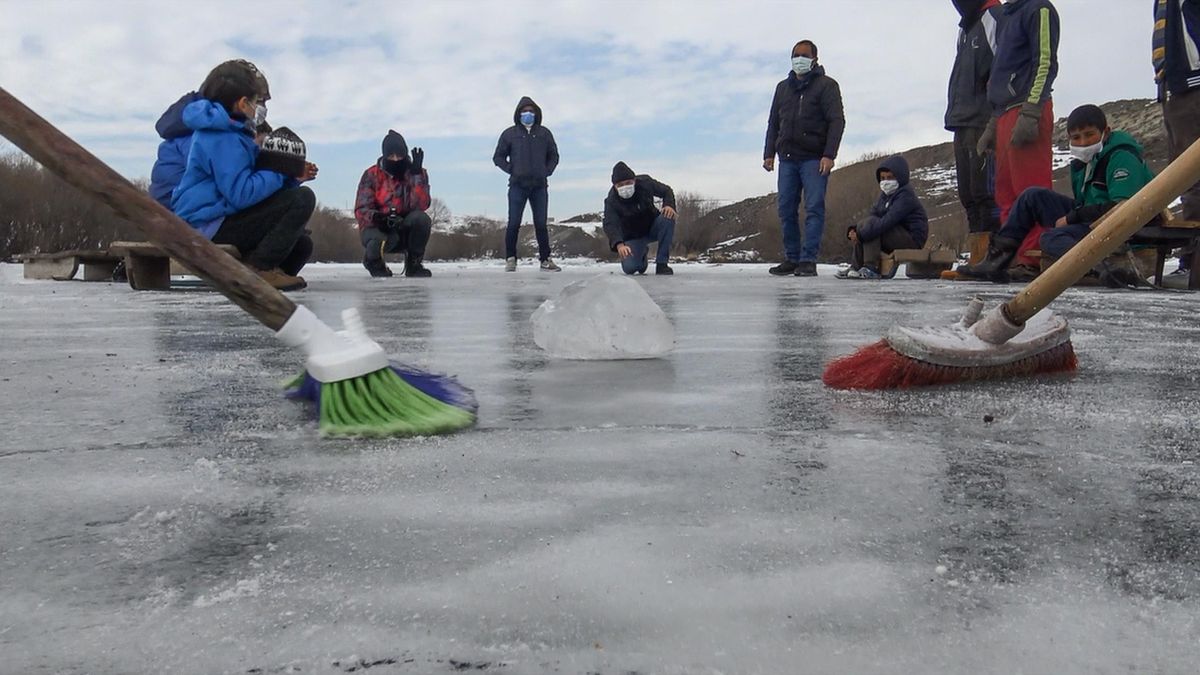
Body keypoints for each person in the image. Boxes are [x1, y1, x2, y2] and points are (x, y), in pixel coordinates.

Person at [960, 105, 1154, 284]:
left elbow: (1123, 208)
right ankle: (997, 261)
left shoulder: (1121, 156)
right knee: (1032, 197)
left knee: (1050, 239)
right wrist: (1075, 216)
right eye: (1076, 138)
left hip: (1120, 227)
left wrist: (1072, 217)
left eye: (1089, 135)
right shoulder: (1082, 163)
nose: (1083, 142)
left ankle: (1102, 268)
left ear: (1106, 133)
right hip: (1093, 220)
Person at [171, 64, 317, 291]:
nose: (261, 108)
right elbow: (241, 194)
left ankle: (251, 268)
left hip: (221, 219)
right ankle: (258, 269)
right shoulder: (220, 138)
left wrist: (291, 178)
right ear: (242, 103)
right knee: (302, 199)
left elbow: (247, 184)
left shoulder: (235, 133)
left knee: (301, 245)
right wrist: (279, 170)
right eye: (258, 101)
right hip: (206, 227)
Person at [764, 40, 846, 277]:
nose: (799, 59)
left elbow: (836, 121)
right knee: (785, 209)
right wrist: (769, 153)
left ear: (815, 59)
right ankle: (792, 258)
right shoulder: (782, 88)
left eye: (804, 55)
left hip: (814, 158)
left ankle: (808, 260)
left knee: (814, 208)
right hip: (787, 158)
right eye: (795, 55)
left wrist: (829, 155)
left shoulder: (827, 86)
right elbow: (773, 123)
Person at [977, 0, 1059, 232]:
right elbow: (1001, 73)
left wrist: (1031, 112)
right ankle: (1011, 253)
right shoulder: (1009, 16)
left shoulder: (1039, 8)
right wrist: (994, 123)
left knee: (1030, 190)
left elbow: (1045, 62)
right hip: (1004, 112)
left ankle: (1031, 258)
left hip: (1026, 108)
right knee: (1006, 192)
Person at [150, 60, 269, 210]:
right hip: (177, 213)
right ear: (240, 100)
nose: (261, 107)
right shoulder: (205, 129)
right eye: (258, 100)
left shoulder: (213, 122)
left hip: (196, 208)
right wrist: (276, 167)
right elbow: (231, 179)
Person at [946, 0, 1003, 263]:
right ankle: (978, 253)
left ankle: (996, 252)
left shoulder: (994, 17)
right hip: (961, 119)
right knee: (968, 194)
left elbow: (1004, 65)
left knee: (984, 191)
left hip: (984, 119)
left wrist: (995, 114)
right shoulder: (965, 28)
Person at [1154, 0, 1200, 277]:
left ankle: (1193, 261)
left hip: (1192, 85)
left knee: (1193, 177)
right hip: (1173, 88)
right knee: (1183, 179)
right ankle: (1190, 259)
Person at [493, 96, 561, 272]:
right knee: (514, 222)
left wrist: (547, 170)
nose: (528, 114)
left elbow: (554, 155)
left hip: (539, 186)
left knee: (540, 224)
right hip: (517, 185)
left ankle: (545, 259)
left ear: (536, 113)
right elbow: (498, 157)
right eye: (524, 111)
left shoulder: (544, 133)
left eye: (531, 111)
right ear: (518, 114)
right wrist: (512, 169)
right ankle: (510, 258)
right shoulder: (510, 134)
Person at [353, 130, 433, 278]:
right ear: (384, 155)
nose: (395, 159)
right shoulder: (371, 175)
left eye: (399, 155)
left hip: (403, 227)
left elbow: (421, 205)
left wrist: (416, 176)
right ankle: (374, 262)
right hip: (378, 228)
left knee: (422, 219)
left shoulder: (416, 173)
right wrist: (379, 218)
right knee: (375, 243)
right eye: (391, 156)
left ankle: (414, 264)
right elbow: (361, 208)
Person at [836, 156, 928, 279]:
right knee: (869, 226)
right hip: (894, 234)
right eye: (883, 178)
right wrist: (855, 230)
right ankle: (856, 266)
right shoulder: (885, 196)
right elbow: (872, 216)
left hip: (912, 240)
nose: (885, 182)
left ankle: (871, 267)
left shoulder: (906, 196)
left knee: (873, 229)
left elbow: (888, 221)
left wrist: (862, 232)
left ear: (900, 177)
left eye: (890, 178)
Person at [602, 162, 677, 276]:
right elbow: (610, 224)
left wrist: (669, 205)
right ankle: (641, 256)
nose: (624, 187)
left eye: (628, 183)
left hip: (653, 227)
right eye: (620, 185)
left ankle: (662, 264)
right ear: (614, 186)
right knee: (631, 268)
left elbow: (666, 190)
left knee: (667, 217)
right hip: (632, 237)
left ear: (634, 180)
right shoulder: (611, 201)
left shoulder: (646, 183)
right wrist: (619, 244)